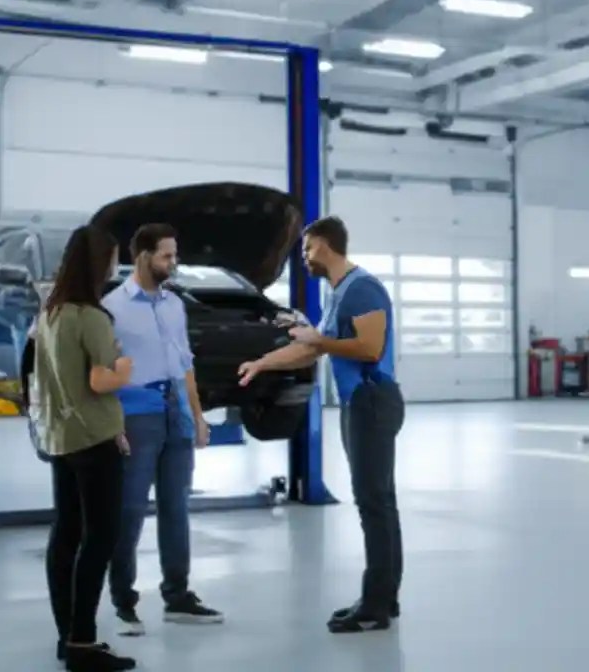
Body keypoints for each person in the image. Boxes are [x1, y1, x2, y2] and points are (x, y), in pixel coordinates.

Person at [238, 215, 404, 633]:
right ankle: (384, 597)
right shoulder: (337, 294)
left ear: (325, 245)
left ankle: (375, 605)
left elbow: (370, 347)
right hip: (361, 403)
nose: (305, 258)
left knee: (374, 503)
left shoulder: (361, 287)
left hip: (372, 401)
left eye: (307, 249)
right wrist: (262, 363)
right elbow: (309, 350)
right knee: (379, 502)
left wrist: (317, 340)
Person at [104, 223, 223, 635]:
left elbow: (184, 362)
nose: (174, 263)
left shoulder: (174, 305)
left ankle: (178, 596)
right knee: (131, 509)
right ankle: (123, 599)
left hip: (175, 411)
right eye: (166, 256)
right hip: (135, 413)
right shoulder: (112, 307)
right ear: (142, 256)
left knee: (176, 507)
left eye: (175, 255)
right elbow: (102, 372)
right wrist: (112, 423)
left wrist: (197, 415)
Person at [36, 224, 137, 672]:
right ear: (101, 262)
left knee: (66, 535)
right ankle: (83, 641)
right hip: (95, 437)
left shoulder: (51, 313)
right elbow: (100, 381)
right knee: (101, 537)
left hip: (60, 437)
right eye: (113, 258)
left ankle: (68, 637)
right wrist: (124, 369)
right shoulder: (92, 317)